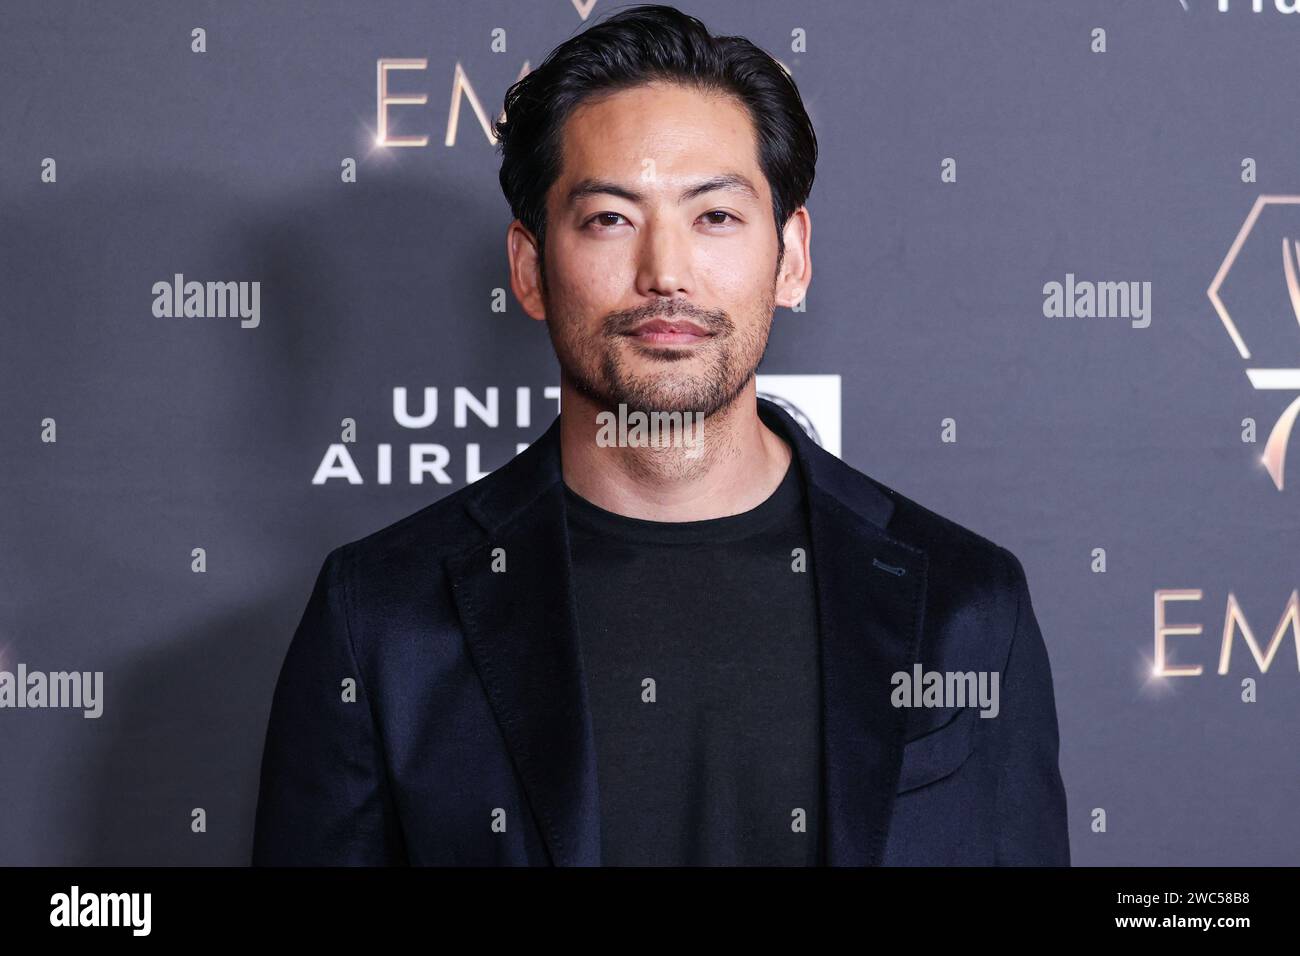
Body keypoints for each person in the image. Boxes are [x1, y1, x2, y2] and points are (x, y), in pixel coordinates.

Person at [252, 4, 1069, 866]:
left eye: (715, 217)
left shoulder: (963, 604)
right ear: (530, 270)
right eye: (611, 218)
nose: (666, 273)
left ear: (790, 258)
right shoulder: (382, 616)